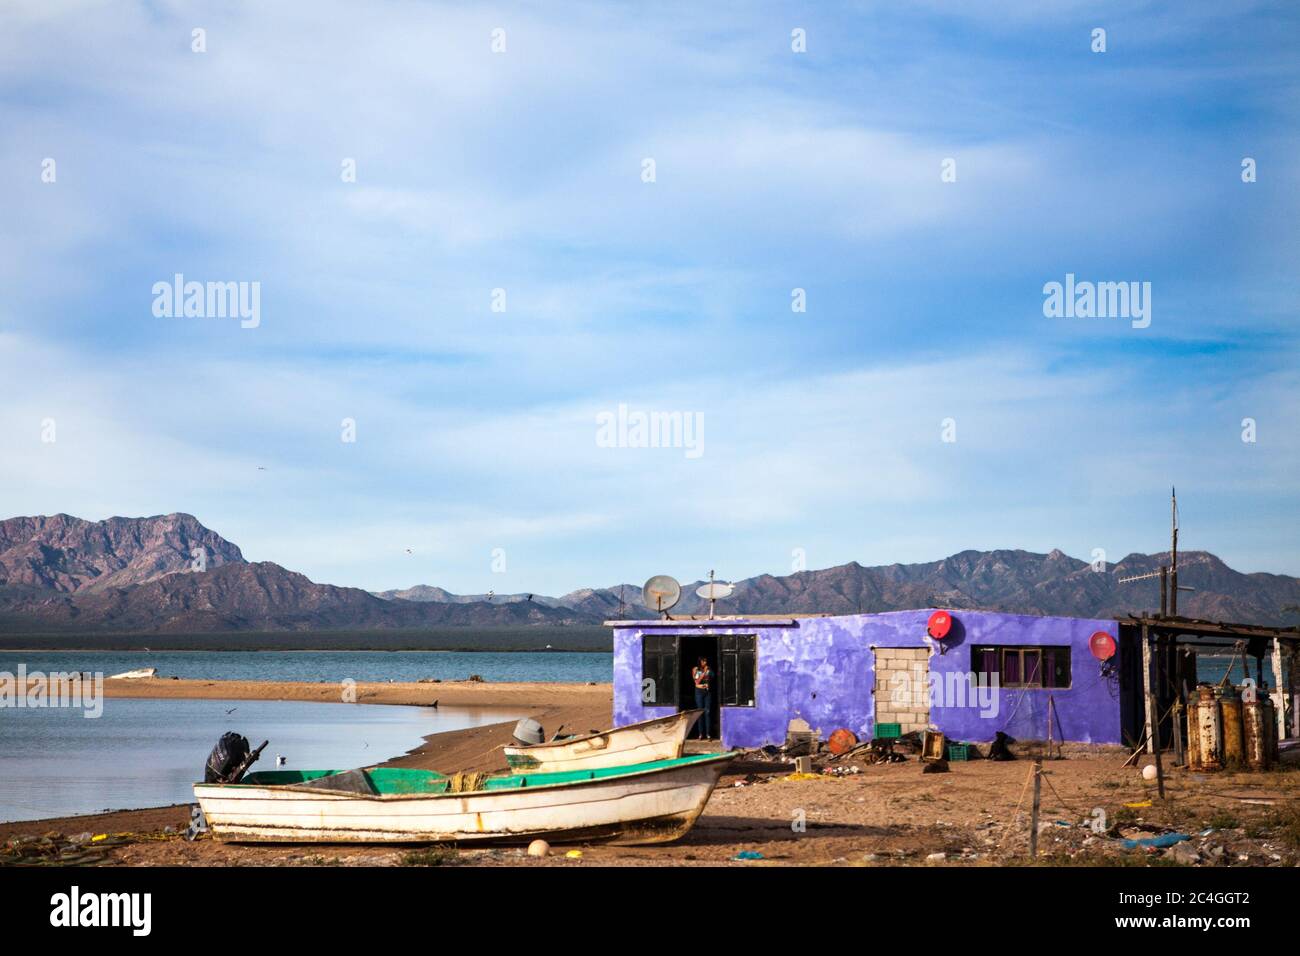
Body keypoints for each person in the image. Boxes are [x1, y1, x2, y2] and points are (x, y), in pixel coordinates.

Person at [692, 657, 713, 739]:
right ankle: (700, 734)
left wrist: (709, 671)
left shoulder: (709, 669)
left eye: (705, 661)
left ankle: (708, 734)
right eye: (703, 661)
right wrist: (704, 672)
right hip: (699, 693)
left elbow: (713, 677)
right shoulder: (695, 669)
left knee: (707, 712)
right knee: (700, 712)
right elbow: (697, 682)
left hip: (707, 692)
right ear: (699, 662)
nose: (705, 662)